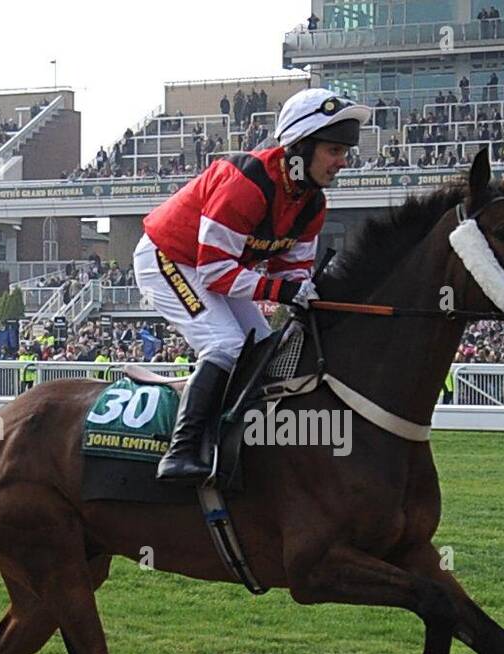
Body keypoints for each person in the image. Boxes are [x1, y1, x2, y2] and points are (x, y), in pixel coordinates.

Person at [133, 87, 369, 481]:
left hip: (216, 266)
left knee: (264, 347)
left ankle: (238, 440)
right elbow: (213, 272)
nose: (342, 162)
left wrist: (313, 294)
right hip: (168, 258)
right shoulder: (245, 182)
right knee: (224, 343)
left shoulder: (312, 203)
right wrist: (283, 292)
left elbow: (292, 275)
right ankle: (181, 451)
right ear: (300, 148)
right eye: (334, 151)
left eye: (345, 152)